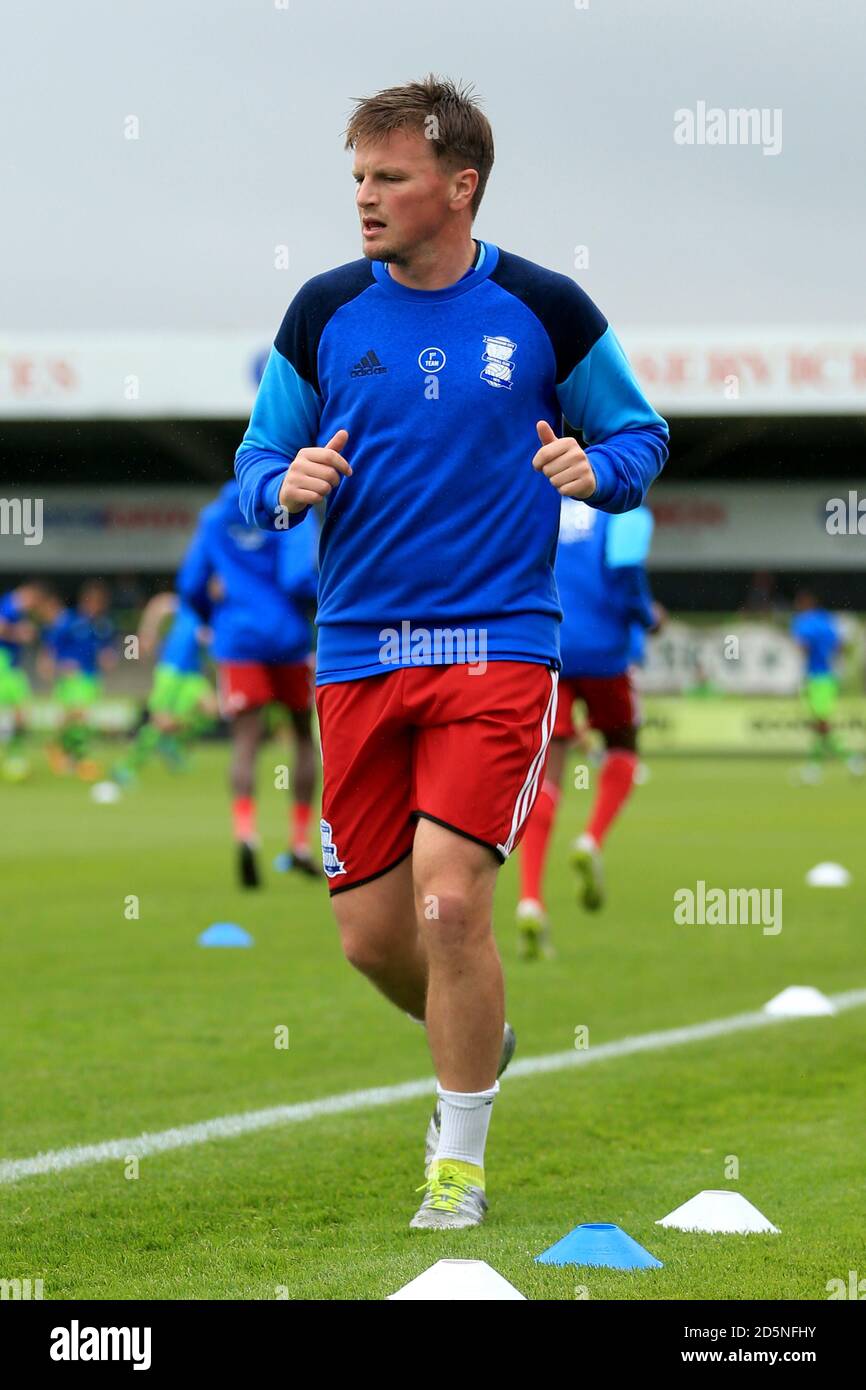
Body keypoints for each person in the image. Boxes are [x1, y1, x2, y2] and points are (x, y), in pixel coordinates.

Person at [234, 75, 668, 1228]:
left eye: (390, 178)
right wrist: (287, 483)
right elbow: (255, 460)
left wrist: (600, 470)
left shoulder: (546, 307)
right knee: (372, 939)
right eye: (358, 179)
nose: (365, 200)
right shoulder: (321, 312)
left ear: (458, 187)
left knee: (446, 906)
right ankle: (480, 1035)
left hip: (498, 649)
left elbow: (637, 430)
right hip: (357, 656)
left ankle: (457, 1163)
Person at [517, 500, 659, 955]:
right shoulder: (625, 507)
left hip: (550, 645)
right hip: (604, 651)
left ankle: (531, 900)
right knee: (623, 741)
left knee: (546, 770)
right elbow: (624, 568)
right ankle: (591, 837)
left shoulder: (546, 504)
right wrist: (645, 616)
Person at [178, 481, 320, 887]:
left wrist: (213, 617)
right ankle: (298, 843)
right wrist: (320, 597)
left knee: (245, 741)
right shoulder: (292, 504)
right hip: (288, 639)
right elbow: (296, 579)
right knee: (300, 737)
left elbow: (190, 585)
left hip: (237, 638)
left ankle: (246, 834)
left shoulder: (214, 516)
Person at [113, 593, 217, 781]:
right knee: (159, 721)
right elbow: (158, 604)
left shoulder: (213, 609)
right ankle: (126, 768)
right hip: (170, 669)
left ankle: (172, 742)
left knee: (212, 710)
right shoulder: (187, 601)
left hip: (193, 672)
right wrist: (147, 631)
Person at [39, 580, 117, 778]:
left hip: (91, 677)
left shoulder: (103, 624)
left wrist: (109, 655)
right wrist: (49, 662)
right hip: (70, 677)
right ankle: (80, 760)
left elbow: (108, 647)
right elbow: (52, 644)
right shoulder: (69, 620)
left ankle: (61, 750)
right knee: (76, 717)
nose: (97, 607)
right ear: (86, 601)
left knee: (77, 718)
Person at [790, 590, 854, 774]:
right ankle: (816, 767)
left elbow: (803, 647)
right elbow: (840, 646)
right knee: (820, 723)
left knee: (821, 723)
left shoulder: (802, 623)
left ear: (802, 605)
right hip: (829, 677)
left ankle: (849, 759)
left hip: (815, 677)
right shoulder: (827, 620)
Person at [0, 582, 47, 777]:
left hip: (12, 666)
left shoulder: (16, 609)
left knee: (21, 712)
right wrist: (20, 633)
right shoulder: (10, 605)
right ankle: (14, 756)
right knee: (20, 711)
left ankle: (15, 756)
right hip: (4, 664)